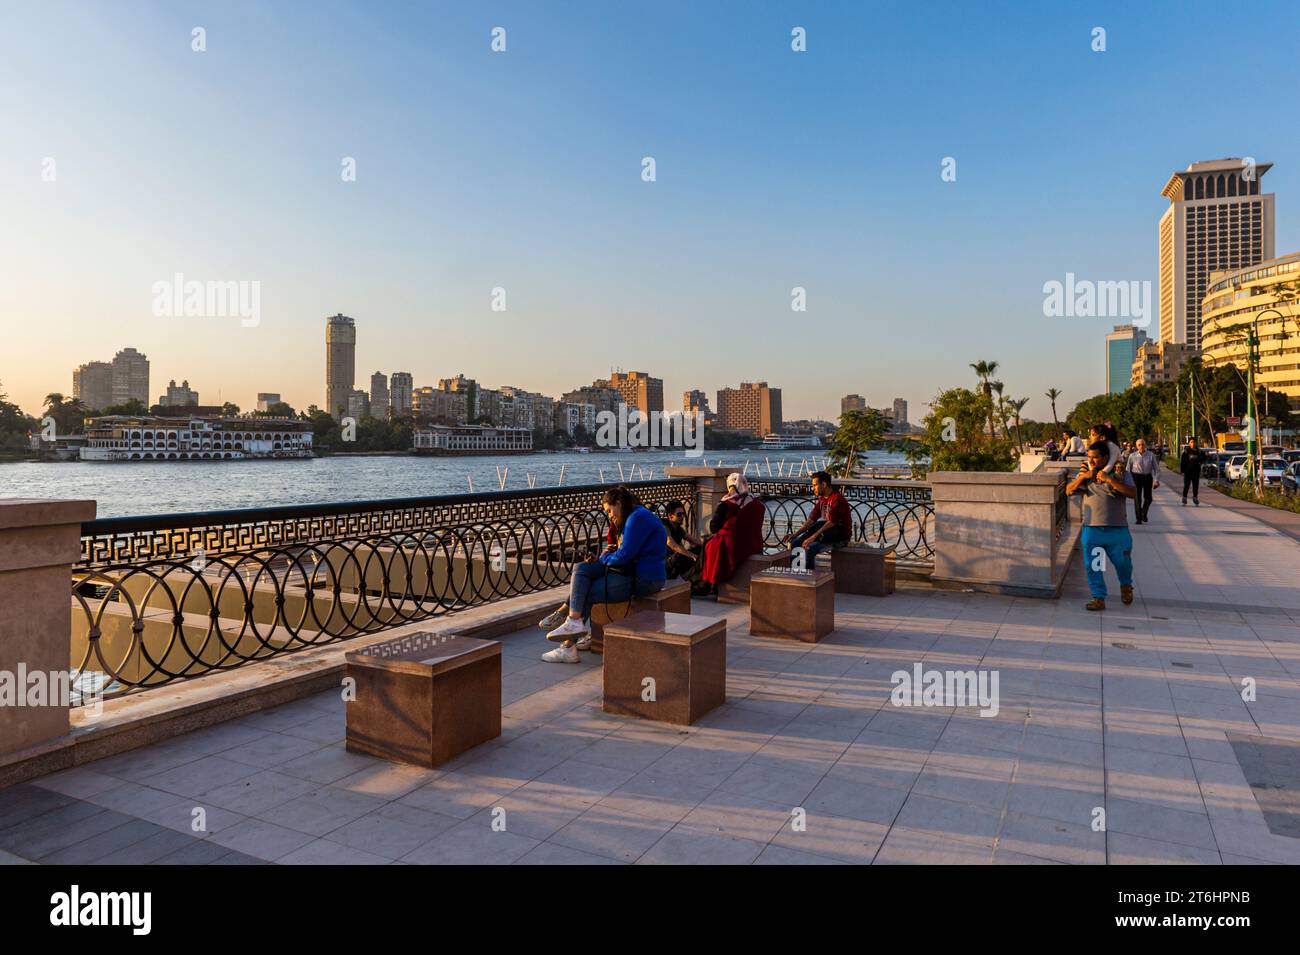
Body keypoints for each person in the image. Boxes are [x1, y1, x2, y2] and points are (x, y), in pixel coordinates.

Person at [538, 486, 667, 663]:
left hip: (645, 579)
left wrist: (601, 561)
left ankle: (569, 641)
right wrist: (602, 559)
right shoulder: (635, 516)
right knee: (580, 568)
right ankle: (572, 623)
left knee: (587, 592)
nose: (609, 515)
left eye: (609, 510)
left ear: (619, 503)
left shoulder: (637, 518)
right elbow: (623, 554)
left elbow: (624, 556)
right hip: (634, 572)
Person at [1067, 440, 1137, 611]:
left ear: (1106, 457)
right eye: (1089, 457)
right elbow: (1068, 490)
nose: (1091, 461)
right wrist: (1083, 477)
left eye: (1095, 457)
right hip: (1093, 530)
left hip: (1117, 529)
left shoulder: (1120, 473)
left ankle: (1126, 586)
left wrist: (1109, 480)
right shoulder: (1086, 473)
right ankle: (1098, 597)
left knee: (1123, 563)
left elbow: (1133, 493)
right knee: (1094, 566)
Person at [696, 472, 766, 597]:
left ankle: (708, 583)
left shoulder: (726, 504)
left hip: (734, 545)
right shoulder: (756, 503)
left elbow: (714, 528)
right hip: (754, 544)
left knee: (708, 544)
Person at [785, 470, 852, 568]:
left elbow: (832, 522)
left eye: (815, 485)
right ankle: (797, 573)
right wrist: (796, 534)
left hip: (840, 536)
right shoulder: (822, 499)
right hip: (825, 533)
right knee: (795, 543)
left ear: (824, 484)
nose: (813, 488)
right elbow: (811, 520)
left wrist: (812, 537)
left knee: (809, 547)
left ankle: (809, 577)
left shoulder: (837, 499)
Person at [661, 499, 703, 580]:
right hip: (665, 564)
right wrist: (691, 555)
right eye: (679, 514)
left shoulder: (678, 528)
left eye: (683, 514)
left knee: (700, 549)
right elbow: (672, 544)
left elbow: (693, 540)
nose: (682, 517)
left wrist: (708, 544)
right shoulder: (664, 526)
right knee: (680, 554)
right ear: (670, 516)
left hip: (674, 561)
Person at [1127, 438, 1160, 524]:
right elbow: (1128, 470)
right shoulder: (1132, 456)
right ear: (1136, 446)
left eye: (1142, 444)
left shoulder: (1151, 455)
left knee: (1148, 498)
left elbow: (1156, 469)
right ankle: (1138, 518)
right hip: (1136, 477)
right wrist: (1129, 481)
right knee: (1137, 498)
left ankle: (1143, 513)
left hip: (1147, 477)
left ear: (1145, 445)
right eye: (1139, 445)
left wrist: (1156, 480)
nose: (1141, 446)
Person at [1179, 437, 1205, 506]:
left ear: (1196, 443)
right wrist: (1182, 470)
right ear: (1189, 443)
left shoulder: (1199, 452)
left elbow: (1203, 460)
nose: (1193, 443)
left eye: (1194, 442)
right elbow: (1182, 462)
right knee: (1186, 485)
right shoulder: (1186, 452)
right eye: (1191, 442)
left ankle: (1195, 497)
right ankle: (1184, 497)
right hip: (1188, 472)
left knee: (1195, 486)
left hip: (1196, 472)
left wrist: (1204, 457)